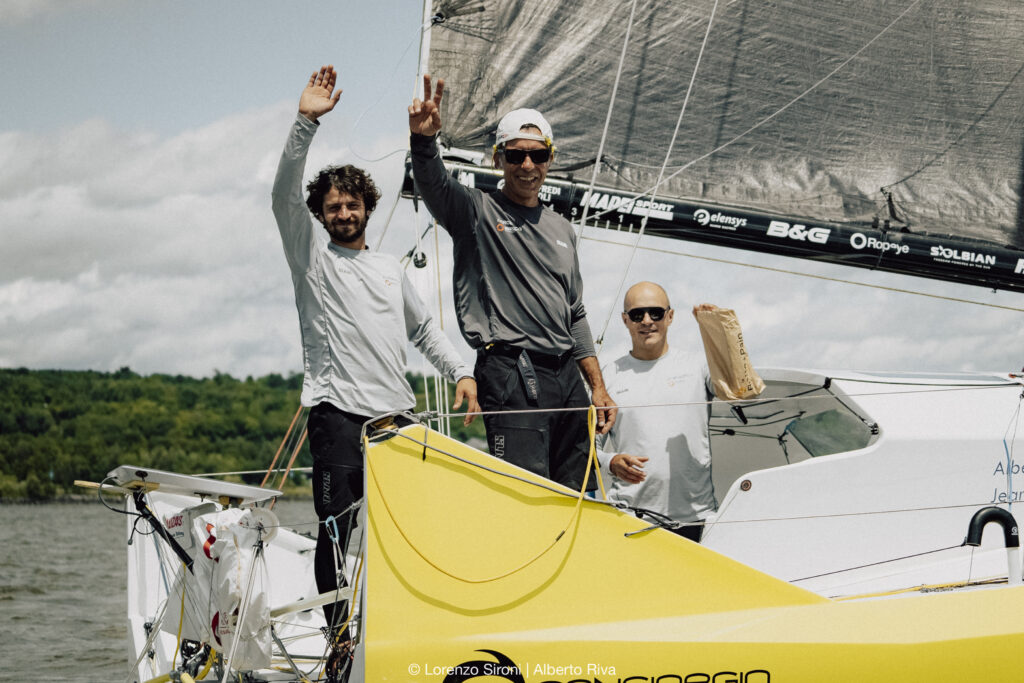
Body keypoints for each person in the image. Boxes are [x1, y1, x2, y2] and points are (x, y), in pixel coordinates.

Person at [271, 65, 479, 671]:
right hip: (337, 416)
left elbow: (423, 331)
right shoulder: (312, 259)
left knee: (412, 532)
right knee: (337, 532)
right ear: (321, 214)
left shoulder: (390, 269)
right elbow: (281, 194)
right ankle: (340, 645)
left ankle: (410, 634)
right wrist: (305, 122)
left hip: (398, 421)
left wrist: (462, 373)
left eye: (351, 203)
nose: (342, 212)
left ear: (367, 207)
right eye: (332, 206)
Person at [407, 75, 616, 491]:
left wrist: (597, 386)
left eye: (538, 155)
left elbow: (574, 313)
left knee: (579, 493)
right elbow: (434, 185)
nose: (527, 165)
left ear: (550, 158)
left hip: (567, 376)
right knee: (525, 493)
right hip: (511, 372)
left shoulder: (562, 228)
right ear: (497, 159)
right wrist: (424, 142)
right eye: (516, 155)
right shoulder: (475, 212)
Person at [596, 282, 717, 542]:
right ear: (625, 320)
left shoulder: (698, 366)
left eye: (656, 313)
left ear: (670, 316)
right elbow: (586, 445)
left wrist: (718, 332)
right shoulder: (608, 376)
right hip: (630, 519)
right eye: (637, 314)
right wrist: (611, 462)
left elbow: (741, 391)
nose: (647, 321)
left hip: (696, 517)